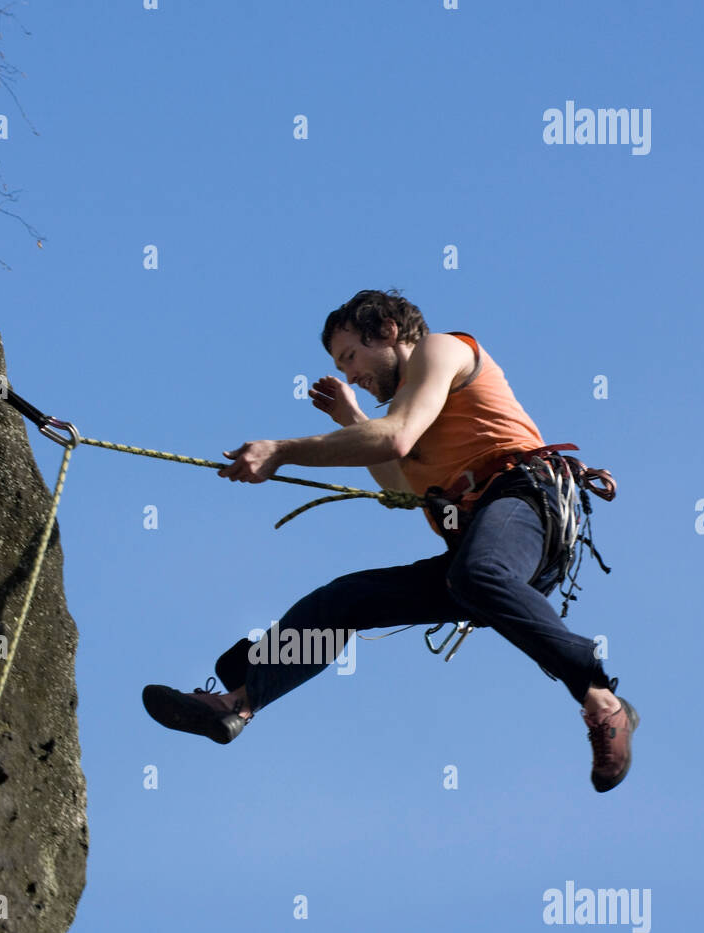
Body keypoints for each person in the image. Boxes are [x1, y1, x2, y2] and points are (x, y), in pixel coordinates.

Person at [142, 288, 639, 792]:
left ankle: (598, 693)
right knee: (343, 602)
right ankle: (238, 703)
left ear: (388, 330)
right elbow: (401, 481)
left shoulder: (441, 349)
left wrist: (281, 450)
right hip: (479, 547)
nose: (350, 373)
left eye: (351, 355)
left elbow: (396, 436)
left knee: (475, 575)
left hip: (526, 505)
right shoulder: (410, 407)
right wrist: (353, 423)